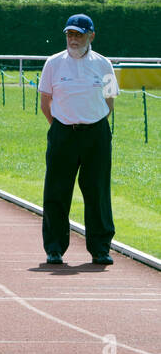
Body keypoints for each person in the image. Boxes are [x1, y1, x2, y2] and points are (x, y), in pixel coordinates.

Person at [39, 13, 116, 266]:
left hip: (96, 135)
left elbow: (109, 101)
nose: (73, 39)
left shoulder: (104, 64)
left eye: (78, 34)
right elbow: (45, 101)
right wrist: (62, 125)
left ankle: (100, 248)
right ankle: (54, 248)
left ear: (91, 36)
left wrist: (90, 121)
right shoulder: (53, 63)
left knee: (97, 191)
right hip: (63, 133)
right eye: (70, 34)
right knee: (57, 191)